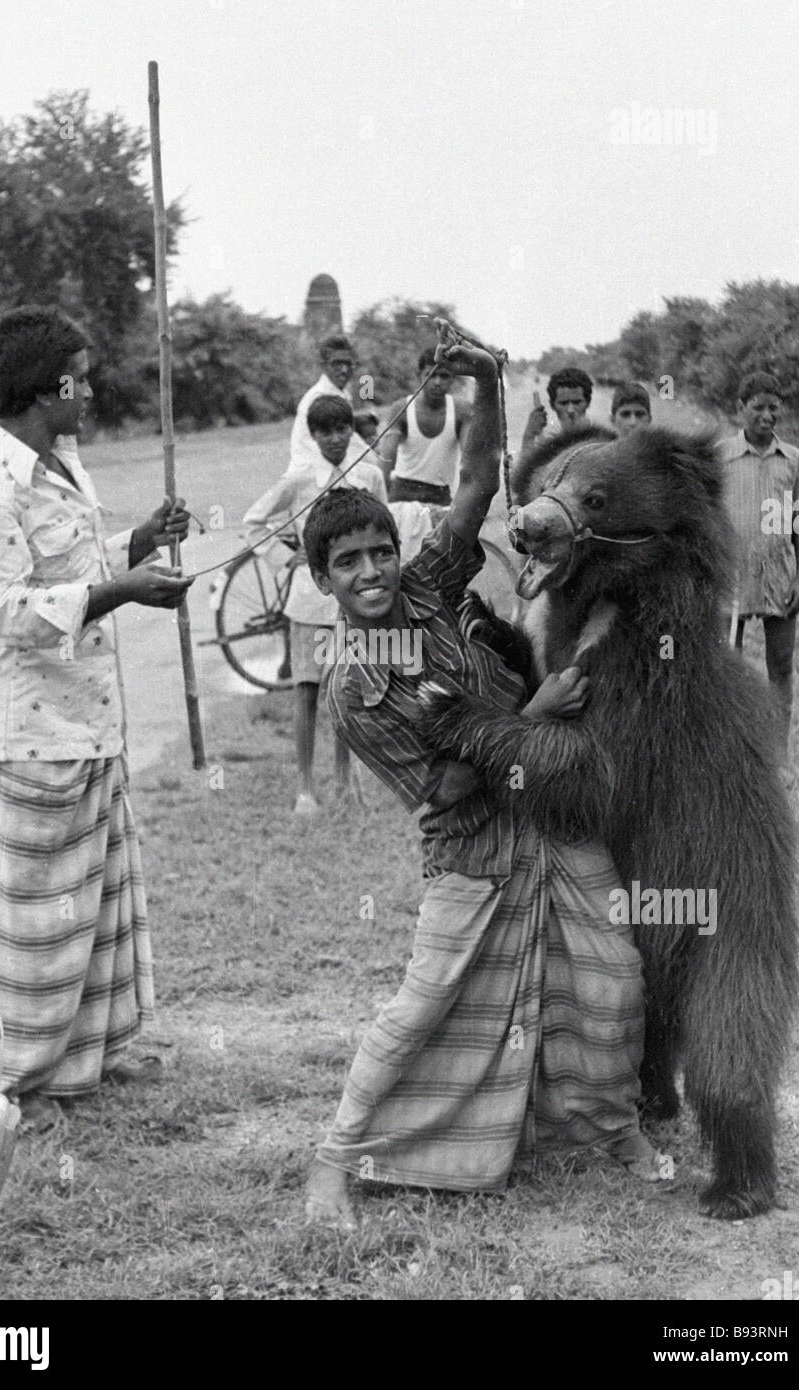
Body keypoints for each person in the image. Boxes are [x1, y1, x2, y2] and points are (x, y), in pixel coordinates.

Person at [301, 336, 664, 1230]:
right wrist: (534, 714)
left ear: (397, 548)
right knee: (422, 1008)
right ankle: (333, 1166)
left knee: (614, 972)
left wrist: (487, 382)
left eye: (377, 552)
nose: (370, 572)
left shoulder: (427, 584)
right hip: (471, 851)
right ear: (322, 581)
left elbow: (473, 484)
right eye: (347, 564)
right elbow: (447, 789)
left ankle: (610, 1126)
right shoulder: (355, 688)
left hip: (552, 809)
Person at [0, 305, 195, 1130]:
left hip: (86, 722)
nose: (91, 392)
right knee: (31, 925)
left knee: (89, 908)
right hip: (29, 733)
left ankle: (84, 1061)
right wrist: (121, 593)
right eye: (80, 379)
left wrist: (136, 545)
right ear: (50, 390)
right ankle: (16, 1083)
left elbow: (73, 566)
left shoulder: (58, 466)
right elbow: (9, 610)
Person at [244, 393, 387, 816]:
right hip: (309, 601)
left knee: (350, 688)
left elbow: (385, 528)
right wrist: (287, 557)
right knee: (307, 690)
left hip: (355, 601)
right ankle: (304, 787)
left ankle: (346, 781)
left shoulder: (369, 475)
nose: (336, 439)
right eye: (325, 432)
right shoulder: (301, 477)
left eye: (342, 429)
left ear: (351, 430)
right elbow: (254, 521)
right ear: (313, 435)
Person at [718, 371, 799, 765]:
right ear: (741, 409)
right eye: (758, 408)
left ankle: (777, 752)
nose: (768, 416)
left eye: (774, 408)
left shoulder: (793, 459)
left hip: (777, 576)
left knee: (781, 666)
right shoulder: (720, 456)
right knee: (727, 667)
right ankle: (730, 749)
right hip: (731, 580)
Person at [376, 348, 469, 504]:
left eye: (444, 376)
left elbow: (469, 463)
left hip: (440, 495)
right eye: (430, 375)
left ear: (453, 378)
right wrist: (379, 503)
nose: (437, 382)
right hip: (402, 493)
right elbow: (386, 461)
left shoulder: (461, 411)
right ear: (419, 375)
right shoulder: (401, 409)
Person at [289, 333, 359, 475]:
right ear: (324, 366)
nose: (344, 369)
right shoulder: (320, 397)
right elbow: (349, 445)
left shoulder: (341, 393)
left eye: (348, 363)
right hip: (311, 475)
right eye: (337, 364)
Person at [516, 366, 593, 468]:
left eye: (577, 402)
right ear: (553, 406)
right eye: (563, 403)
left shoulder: (602, 438)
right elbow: (523, 475)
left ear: (587, 403)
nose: (570, 410)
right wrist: (529, 436)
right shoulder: (546, 441)